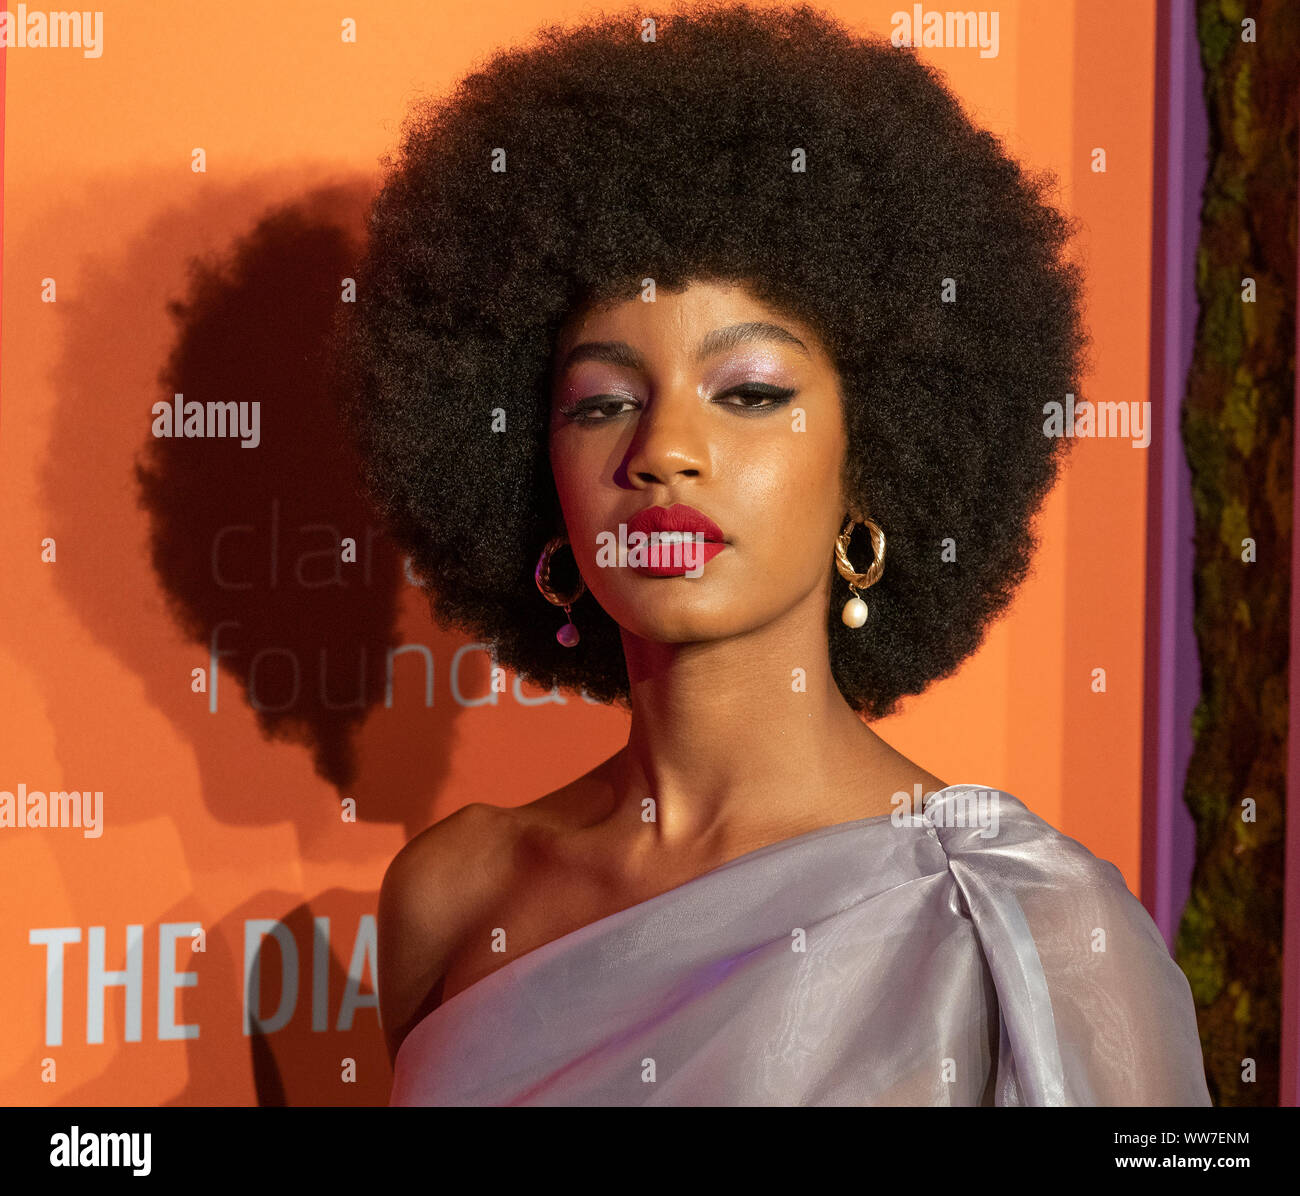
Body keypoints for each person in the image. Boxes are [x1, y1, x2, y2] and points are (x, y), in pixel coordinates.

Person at [333, 1, 1212, 1105]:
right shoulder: (452, 892)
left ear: (876, 455)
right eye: (602, 402)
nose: (663, 454)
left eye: (749, 393)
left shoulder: (1016, 918)